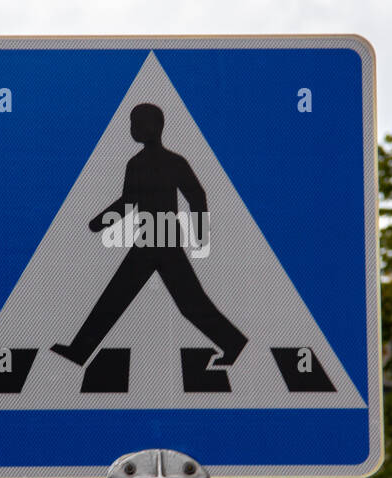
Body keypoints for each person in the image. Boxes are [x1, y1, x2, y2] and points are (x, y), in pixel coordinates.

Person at [50, 103, 247, 369]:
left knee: (185, 303)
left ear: (154, 127)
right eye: (132, 124)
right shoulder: (136, 164)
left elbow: (196, 195)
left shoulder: (173, 162)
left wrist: (201, 232)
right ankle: (79, 350)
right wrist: (99, 222)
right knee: (119, 297)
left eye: (136, 123)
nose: (132, 129)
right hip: (148, 241)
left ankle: (233, 342)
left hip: (165, 243)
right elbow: (128, 201)